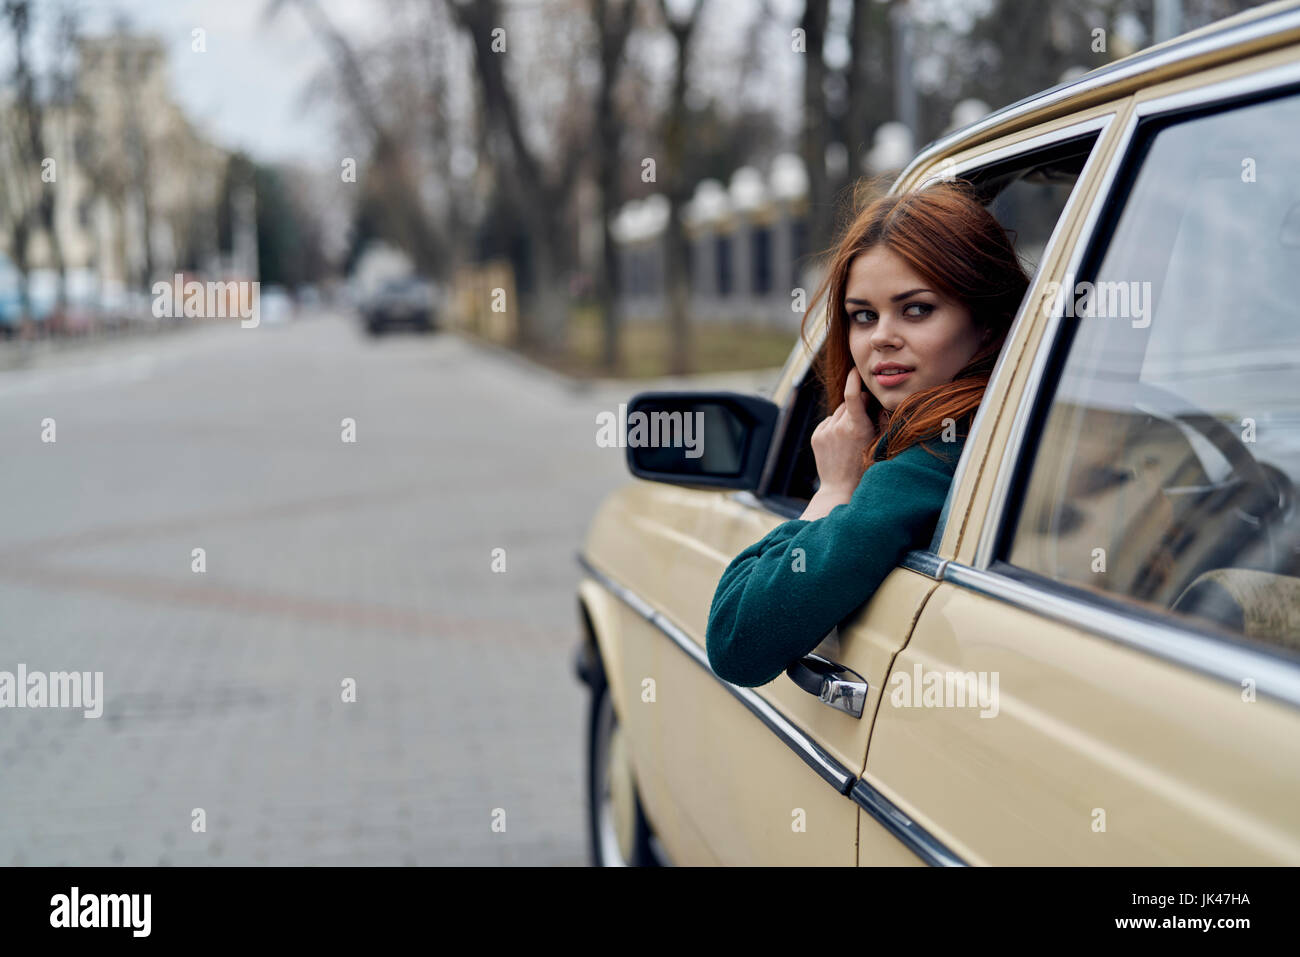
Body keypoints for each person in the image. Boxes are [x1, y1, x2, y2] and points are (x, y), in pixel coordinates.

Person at [706, 180, 1031, 687]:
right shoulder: (1012, 426)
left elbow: (736, 641)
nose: (881, 336)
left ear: (988, 323)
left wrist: (834, 489)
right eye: (863, 316)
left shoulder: (931, 460)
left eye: (917, 308)